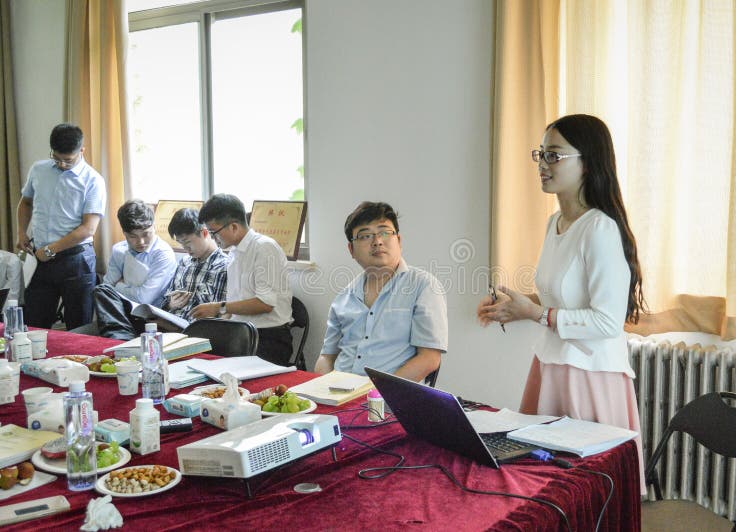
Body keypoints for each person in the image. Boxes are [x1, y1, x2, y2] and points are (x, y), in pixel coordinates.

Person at [476, 114, 646, 491]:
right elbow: (560, 298)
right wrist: (515, 306)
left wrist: (536, 313)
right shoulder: (555, 222)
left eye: (554, 155)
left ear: (587, 163)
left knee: (585, 490)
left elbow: (607, 322)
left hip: (589, 374)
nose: (542, 164)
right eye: (541, 154)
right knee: (544, 485)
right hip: (551, 365)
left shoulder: (600, 228)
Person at [315, 201, 447, 382]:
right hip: (339, 391)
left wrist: (374, 392)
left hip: (389, 395)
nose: (377, 241)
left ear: (399, 241)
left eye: (384, 232)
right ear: (351, 250)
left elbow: (429, 359)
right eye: (365, 236)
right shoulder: (343, 297)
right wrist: (323, 387)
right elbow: (326, 357)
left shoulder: (423, 286)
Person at [16, 123, 106, 329]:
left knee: (78, 328)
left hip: (76, 259)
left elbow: (88, 228)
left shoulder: (93, 181)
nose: (62, 164)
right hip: (40, 259)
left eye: (68, 160)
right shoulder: (38, 169)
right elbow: (26, 202)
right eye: (56, 158)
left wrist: (51, 249)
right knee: (33, 324)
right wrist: (21, 232)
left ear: (82, 151)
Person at [190, 194, 293, 365]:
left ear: (234, 227)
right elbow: (236, 303)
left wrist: (218, 307)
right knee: (199, 361)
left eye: (214, 232)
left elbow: (265, 304)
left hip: (268, 338)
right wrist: (217, 320)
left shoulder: (264, 248)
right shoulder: (234, 252)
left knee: (226, 373)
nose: (213, 238)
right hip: (240, 332)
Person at [94, 200, 177, 339]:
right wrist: (117, 289)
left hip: (150, 315)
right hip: (122, 309)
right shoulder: (119, 250)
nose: (141, 242)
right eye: (133, 236)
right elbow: (107, 287)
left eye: (146, 234)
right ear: (124, 233)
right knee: (100, 290)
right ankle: (120, 336)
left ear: (154, 227)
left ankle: (120, 338)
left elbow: (144, 298)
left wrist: (119, 285)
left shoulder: (163, 254)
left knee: (110, 300)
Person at [159, 208, 229, 331]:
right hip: (169, 328)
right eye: (181, 243)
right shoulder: (184, 262)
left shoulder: (224, 267)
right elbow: (167, 300)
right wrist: (170, 304)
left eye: (187, 242)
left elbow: (224, 314)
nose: (185, 248)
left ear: (205, 233)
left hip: (199, 334)